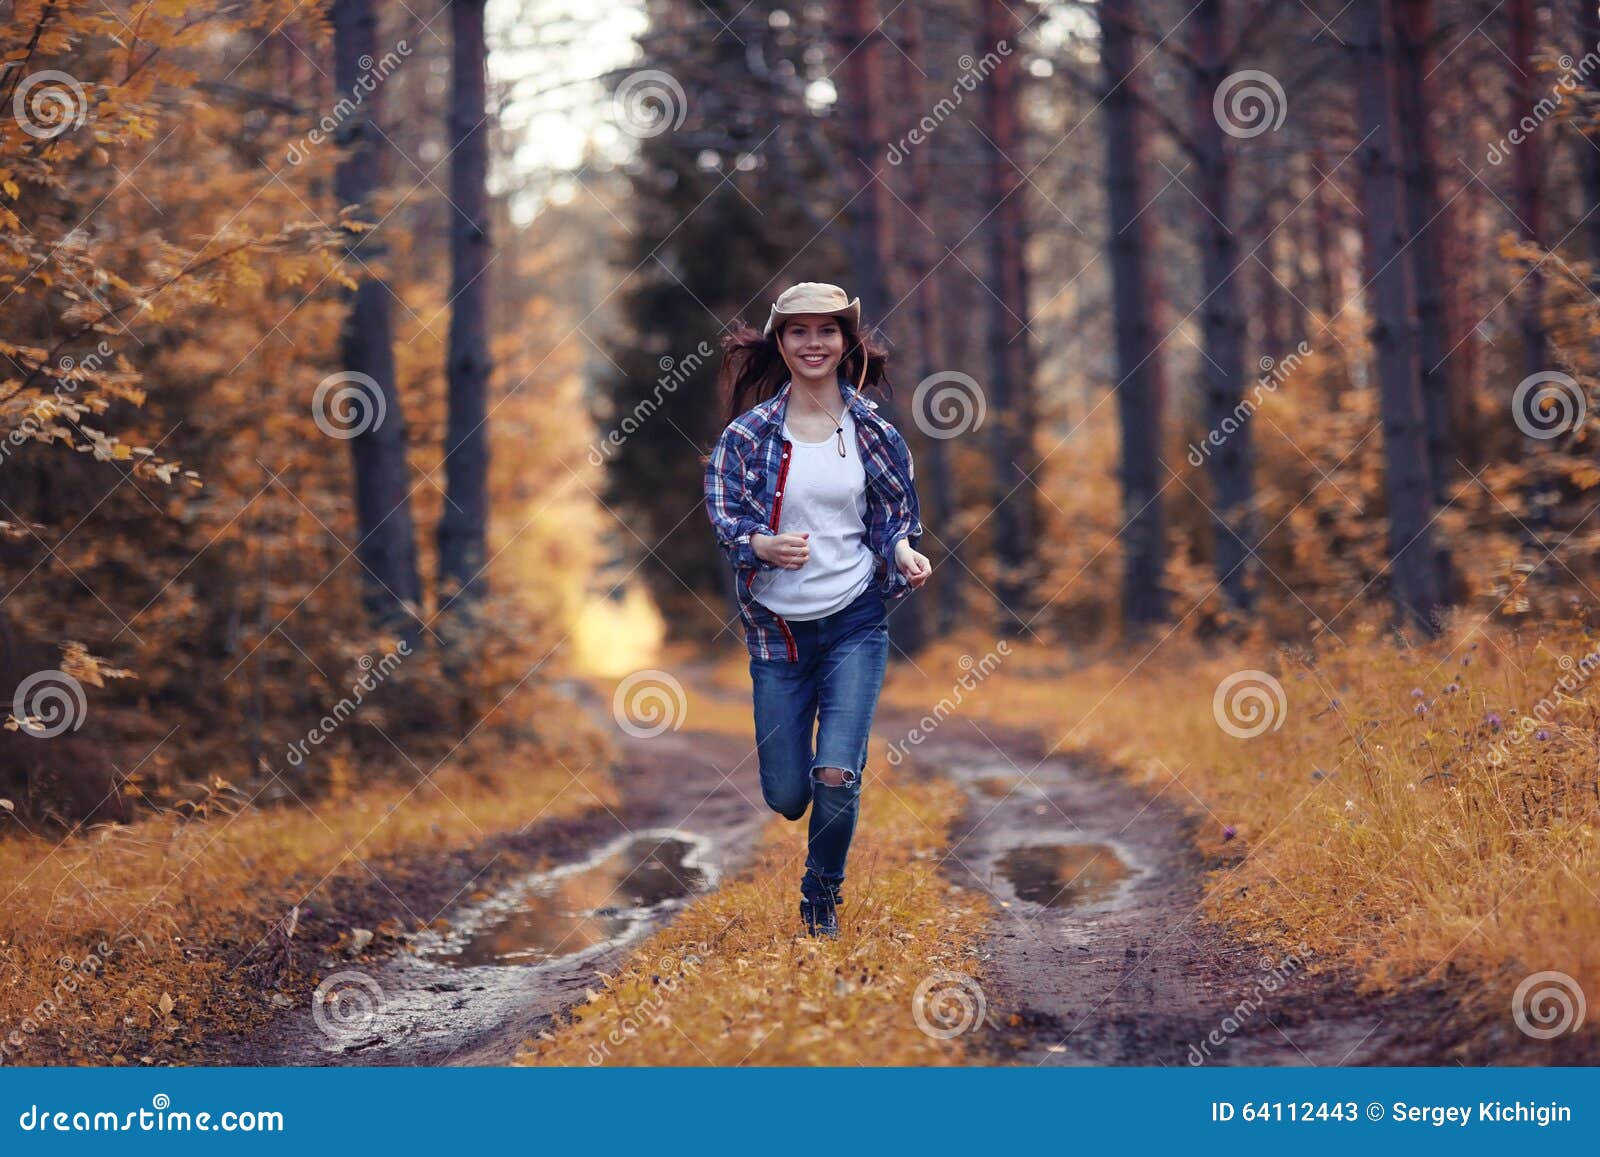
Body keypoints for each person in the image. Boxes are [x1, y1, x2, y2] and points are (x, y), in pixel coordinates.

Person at [702, 281, 932, 938]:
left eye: (826, 330)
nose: (813, 343)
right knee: (787, 795)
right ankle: (808, 827)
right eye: (798, 331)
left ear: (845, 342)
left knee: (837, 770)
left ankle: (821, 894)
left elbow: (894, 516)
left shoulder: (875, 432)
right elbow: (726, 519)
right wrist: (760, 544)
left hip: (855, 621)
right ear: (781, 341)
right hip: (778, 637)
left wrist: (906, 552)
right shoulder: (746, 437)